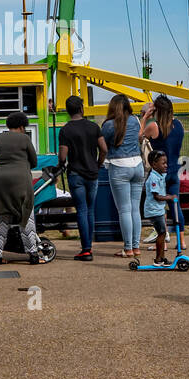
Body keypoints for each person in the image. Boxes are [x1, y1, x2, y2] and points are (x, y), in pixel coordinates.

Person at [0, 112, 43, 264]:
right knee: (26, 214)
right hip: (21, 180)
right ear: (22, 126)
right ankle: (33, 253)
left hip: (0, 180)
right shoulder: (25, 138)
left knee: (3, 216)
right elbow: (34, 162)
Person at [58, 95, 107, 261]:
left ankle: (85, 249)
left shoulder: (66, 130)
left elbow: (63, 155)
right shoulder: (93, 127)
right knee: (90, 210)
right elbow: (104, 149)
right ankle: (89, 246)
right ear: (81, 109)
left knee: (81, 210)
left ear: (68, 111)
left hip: (76, 174)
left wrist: (61, 163)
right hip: (92, 173)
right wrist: (98, 164)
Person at [101, 94, 145, 260]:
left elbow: (103, 145)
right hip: (137, 166)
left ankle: (127, 248)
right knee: (135, 209)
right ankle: (136, 246)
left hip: (119, 166)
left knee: (124, 210)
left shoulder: (108, 125)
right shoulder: (134, 120)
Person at [140, 96, 185, 247]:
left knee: (158, 208)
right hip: (174, 170)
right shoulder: (179, 125)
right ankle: (181, 242)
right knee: (175, 206)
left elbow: (139, 137)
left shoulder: (154, 127)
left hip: (159, 173)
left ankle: (162, 241)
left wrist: (146, 116)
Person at [143, 150, 176, 264]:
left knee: (162, 233)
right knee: (161, 233)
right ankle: (158, 259)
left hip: (158, 210)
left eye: (166, 163)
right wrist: (169, 197)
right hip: (154, 210)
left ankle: (161, 258)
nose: (166, 165)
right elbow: (156, 196)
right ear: (154, 164)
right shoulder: (153, 178)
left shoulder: (159, 174)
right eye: (163, 163)